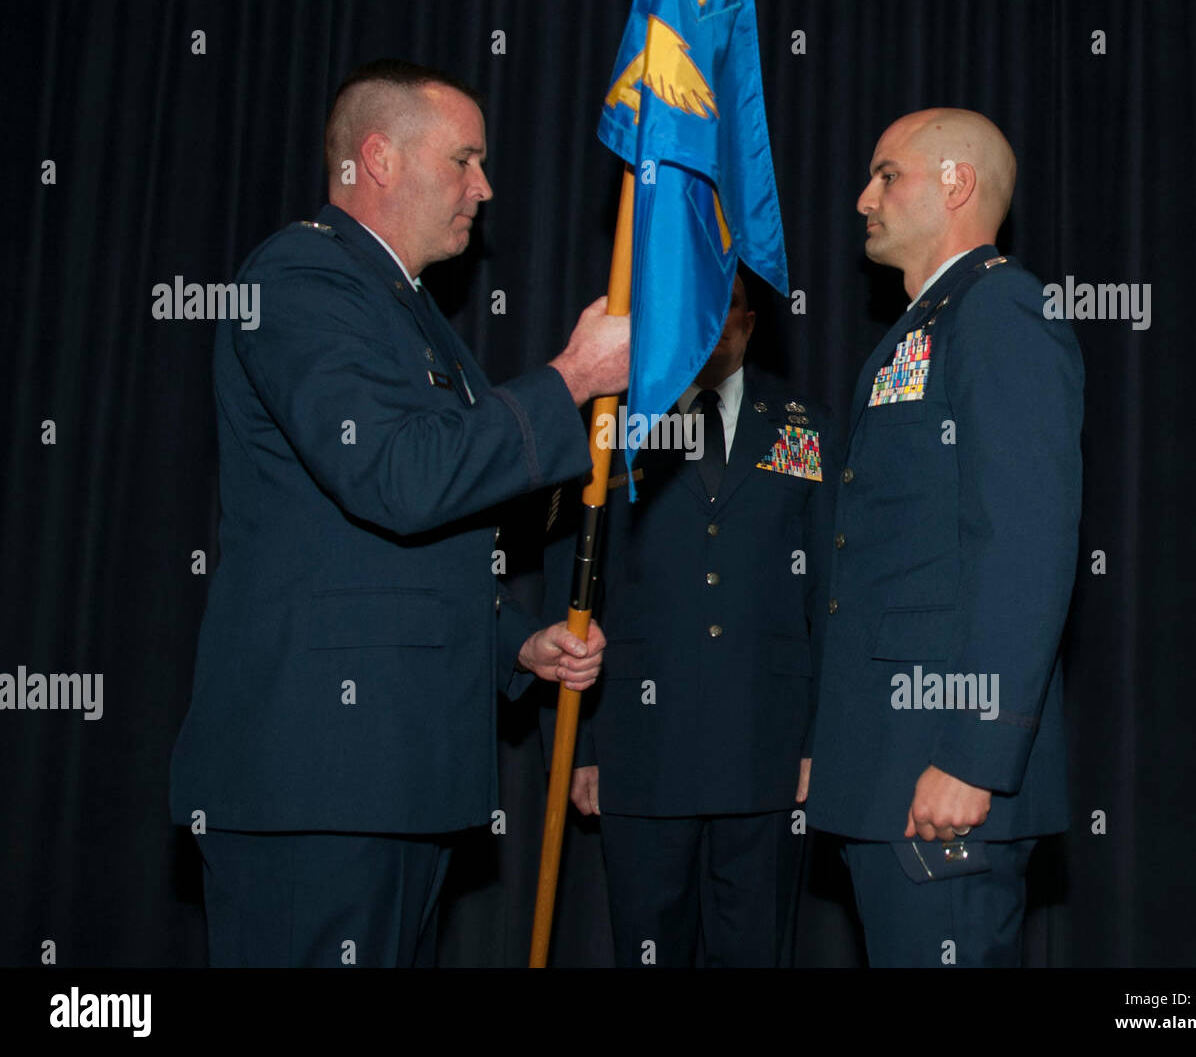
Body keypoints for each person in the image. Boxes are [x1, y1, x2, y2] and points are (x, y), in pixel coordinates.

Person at [169, 59, 629, 967]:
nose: (484, 186)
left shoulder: (410, 313)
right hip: (319, 780)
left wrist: (516, 645)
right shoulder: (303, 276)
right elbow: (397, 477)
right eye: (464, 159)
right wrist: (571, 378)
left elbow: (416, 542)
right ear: (378, 158)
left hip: (394, 777)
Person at [806, 108, 1083, 967]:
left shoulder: (1000, 308)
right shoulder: (913, 334)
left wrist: (975, 752)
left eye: (887, 175)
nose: (862, 198)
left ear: (957, 183)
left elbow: (1026, 545)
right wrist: (837, 745)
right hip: (888, 764)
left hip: (944, 769)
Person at [552, 272, 838, 967]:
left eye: (727, 309)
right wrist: (579, 747)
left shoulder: (802, 421)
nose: (711, 325)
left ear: (749, 320)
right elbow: (576, 585)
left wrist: (819, 739)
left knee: (756, 949)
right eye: (696, 306)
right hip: (640, 744)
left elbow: (828, 592)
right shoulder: (617, 418)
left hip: (766, 746)